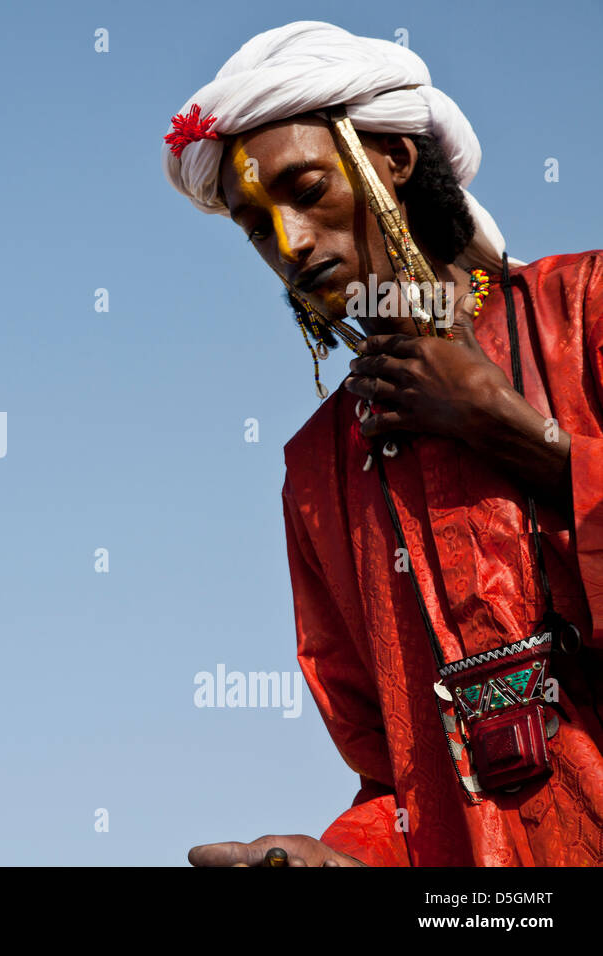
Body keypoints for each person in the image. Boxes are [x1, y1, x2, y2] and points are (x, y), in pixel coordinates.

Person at [163, 21, 603, 865]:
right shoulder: (316, 472)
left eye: (305, 189)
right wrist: (343, 859)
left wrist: (509, 430)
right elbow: (400, 781)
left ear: (394, 159)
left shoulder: (583, 311)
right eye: (256, 227)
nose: (291, 244)